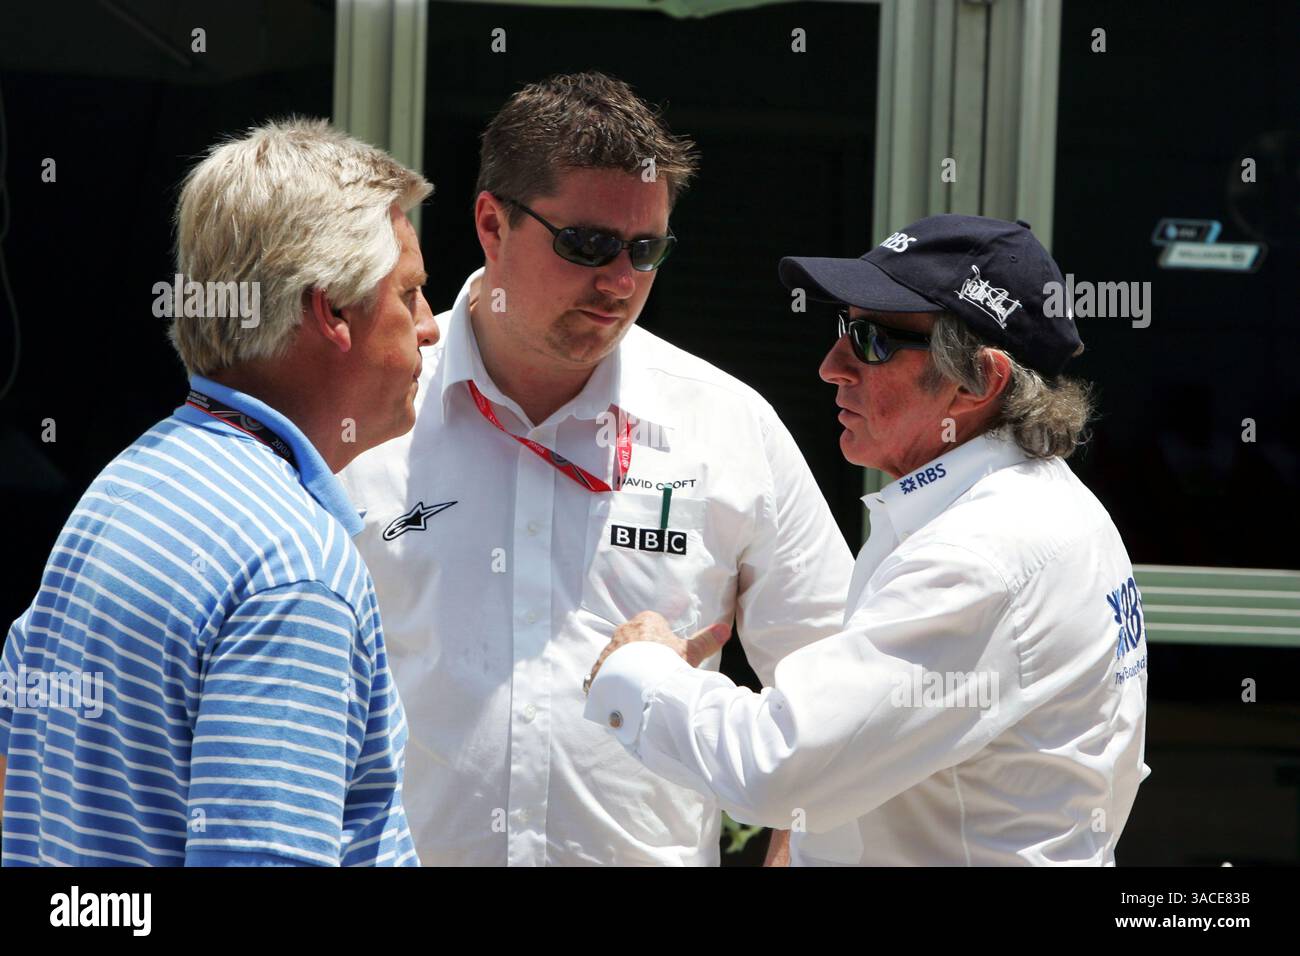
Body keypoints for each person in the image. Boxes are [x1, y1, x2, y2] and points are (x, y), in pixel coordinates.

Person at [338, 71, 854, 866]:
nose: (620, 282)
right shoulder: (368, 418)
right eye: (587, 245)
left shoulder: (725, 425)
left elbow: (838, 693)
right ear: (491, 224)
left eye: (646, 250)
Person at [585, 214, 1151, 865]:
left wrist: (641, 669)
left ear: (979, 382)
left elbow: (781, 768)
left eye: (871, 340)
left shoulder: (980, 554)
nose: (832, 366)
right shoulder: (1047, 508)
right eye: (840, 328)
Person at [0, 118, 438, 866]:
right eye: (411, 292)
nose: (430, 328)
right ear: (331, 310)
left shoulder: (124, 487)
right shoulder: (295, 568)